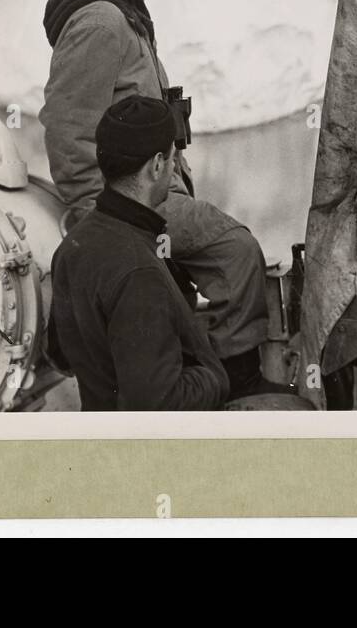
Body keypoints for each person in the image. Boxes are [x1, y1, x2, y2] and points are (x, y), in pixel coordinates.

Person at [41, 0, 270, 400]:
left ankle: (205, 374)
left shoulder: (123, 18)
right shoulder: (102, 22)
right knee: (237, 251)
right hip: (128, 205)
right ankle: (240, 379)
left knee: (184, 290)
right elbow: (68, 124)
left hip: (149, 196)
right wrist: (94, 210)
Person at [46, 96, 229, 411]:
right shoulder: (138, 274)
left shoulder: (73, 246)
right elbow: (160, 404)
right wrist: (216, 377)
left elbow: (60, 353)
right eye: (172, 161)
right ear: (157, 166)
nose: (172, 169)